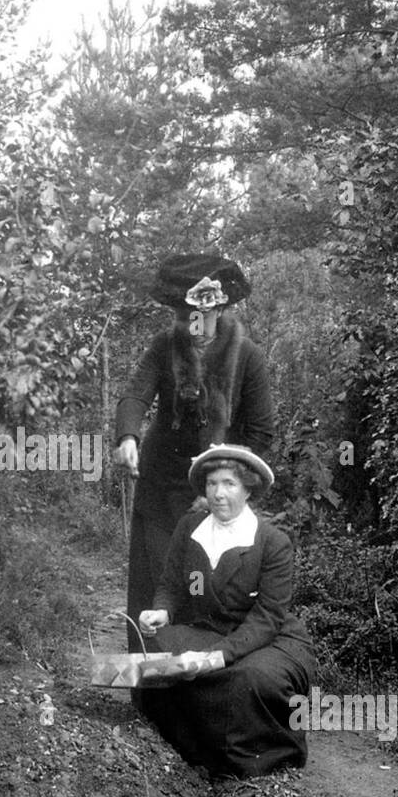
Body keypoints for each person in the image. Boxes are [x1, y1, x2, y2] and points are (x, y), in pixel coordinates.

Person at [113, 251, 274, 652]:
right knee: (154, 575)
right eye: (188, 320)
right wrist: (128, 437)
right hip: (162, 481)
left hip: (220, 483)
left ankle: (198, 673)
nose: (197, 328)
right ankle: (146, 674)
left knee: (205, 576)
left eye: (205, 318)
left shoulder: (248, 356)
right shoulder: (164, 346)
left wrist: (229, 485)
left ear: (221, 310)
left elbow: (261, 431)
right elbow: (135, 394)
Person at [136, 444, 315, 779]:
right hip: (209, 629)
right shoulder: (191, 528)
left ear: (248, 488)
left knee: (250, 679)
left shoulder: (272, 542)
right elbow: (172, 585)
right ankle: (191, 753)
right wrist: (163, 611)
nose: (218, 493)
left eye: (229, 484)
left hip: (267, 639)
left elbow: (267, 618)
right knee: (159, 662)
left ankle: (255, 760)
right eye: (212, 483)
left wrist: (218, 655)